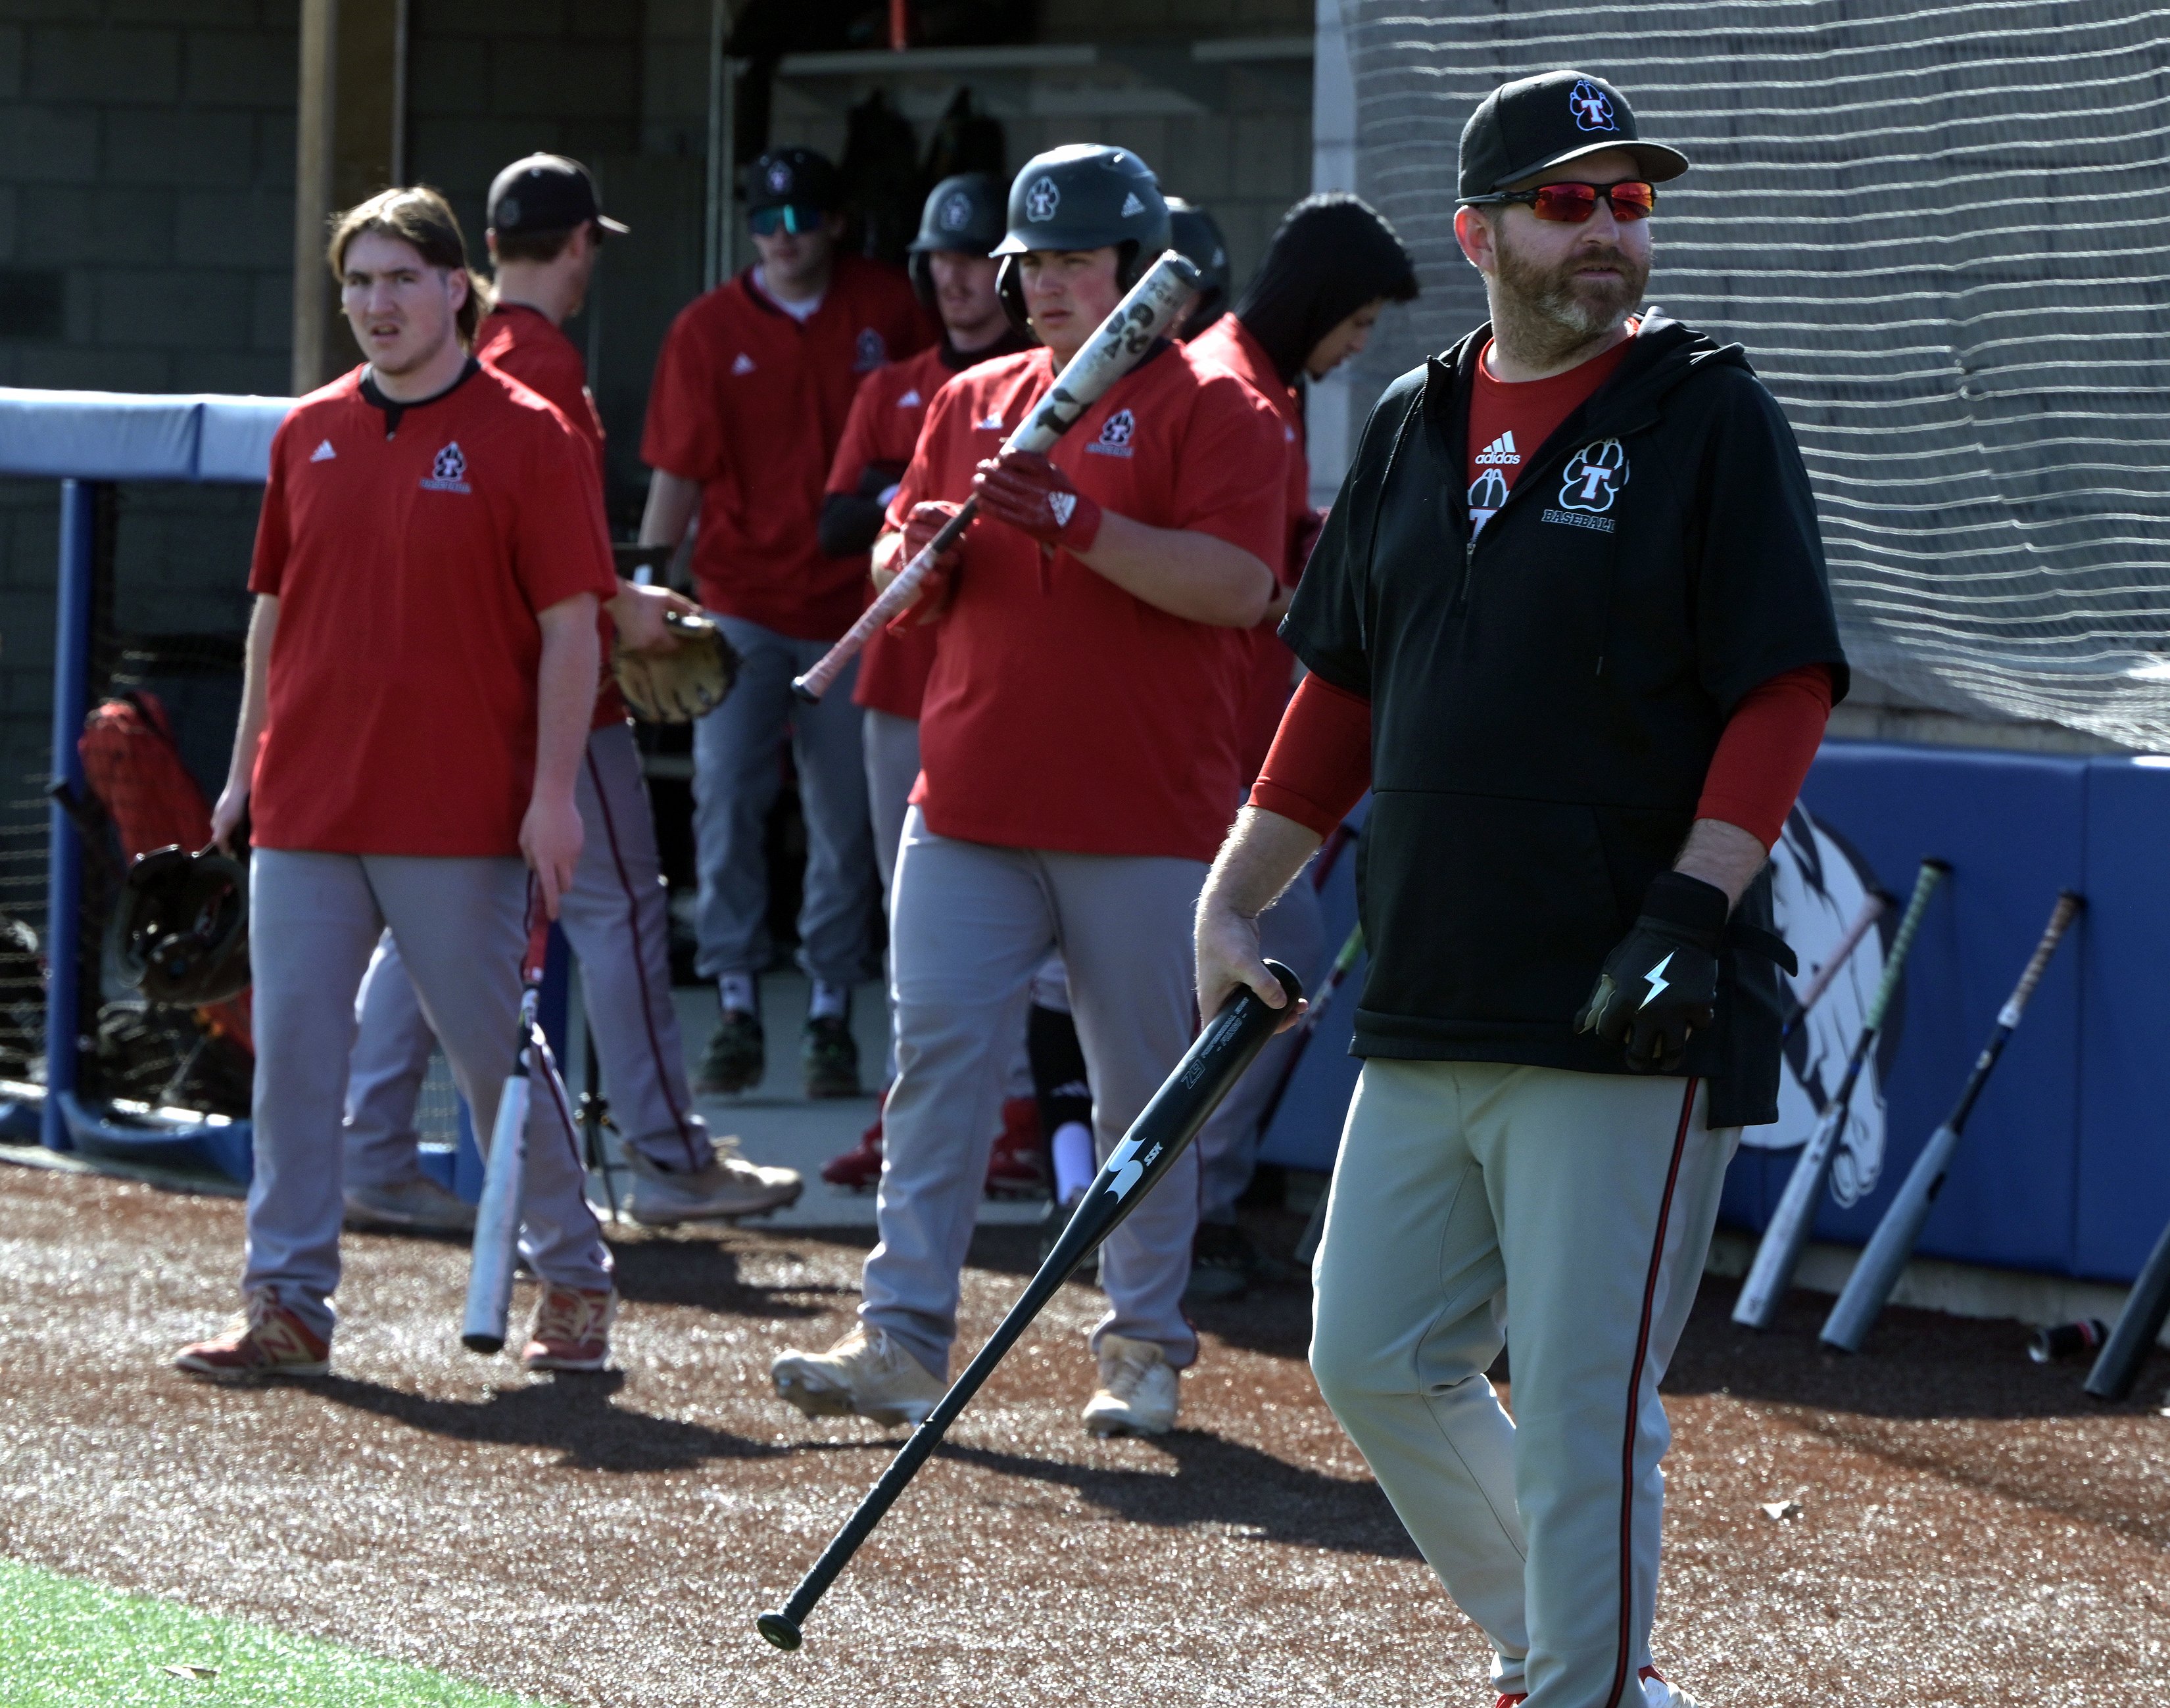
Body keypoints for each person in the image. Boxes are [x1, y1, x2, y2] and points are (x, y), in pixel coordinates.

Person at [1194, 72, 1846, 1707]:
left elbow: (1782, 687)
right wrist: (1235, 895)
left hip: (1629, 997)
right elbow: (1341, 692)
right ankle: (1581, 1662)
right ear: (1480, 233)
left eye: (1630, 201)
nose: (1610, 230)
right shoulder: (1413, 420)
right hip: (1428, 981)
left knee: (1576, 1398)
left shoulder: (1710, 408)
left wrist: (1692, 908)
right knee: (1371, 1358)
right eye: (1570, 202)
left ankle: (1580, 1686)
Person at [768, 144, 1284, 1438]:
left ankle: (1146, 1347)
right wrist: (915, 560)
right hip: (971, 801)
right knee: (936, 1066)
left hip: (1146, 813)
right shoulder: (973, 396)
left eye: (1074, 261)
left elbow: (1240, 587)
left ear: (1138, 270)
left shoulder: (1220, 407)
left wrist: (1078, 525)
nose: (1049, 286)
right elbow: (902, 543)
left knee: (1140, 1092)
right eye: (1034, 262)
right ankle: (899, 1336)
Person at [174, 187, 629, 1380]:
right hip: (310, 805)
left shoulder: (532, 431)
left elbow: (574, 629)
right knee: (297, 1058)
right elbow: (274, 617)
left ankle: (574, 1274)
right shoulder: (307, 431)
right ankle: (286, 1302)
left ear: (453, 289)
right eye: (359, 283)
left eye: (399, 279)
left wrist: (553, 795)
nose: (377, 304)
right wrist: (239, 775)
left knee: (492, 1062)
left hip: (457, 811)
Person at [339, 154, 803, 1237]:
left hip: (455, 689)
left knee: (426, 923)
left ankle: (369, 1145)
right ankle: (672, 1157)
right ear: (582, 243)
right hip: (552, 693)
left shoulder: (468, 351)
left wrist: (613, 593)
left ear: (485, 255)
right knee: (622, 910)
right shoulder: (535, 358)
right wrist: (618, 609)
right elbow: (545, 557)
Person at [639, 146, 932, 1102]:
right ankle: (731, 1002)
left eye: (802, 218)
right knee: (726, 800)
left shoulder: (888, 308)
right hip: (740, 602)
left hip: (857, 604)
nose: (784, 237)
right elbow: (676, 476)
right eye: (767, 221)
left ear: (836, 222)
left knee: (846, 821)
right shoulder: (705, 328)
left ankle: (828, 1014)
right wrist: (649, 592)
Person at [1180, 192, 1418, 1300]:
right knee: (1270, 965)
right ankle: (1194, 1213)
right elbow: (1230, 585)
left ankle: (1195, 1208)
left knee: (1262, 973)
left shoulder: (1251, 380)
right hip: (1205, 748)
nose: (1361, 343)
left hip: (1217, 737)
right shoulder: (1237, 388)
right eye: (1359, 318)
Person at [813, 170, 1045, 1198]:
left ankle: (1029, 1112)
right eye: (940, 260)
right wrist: (906, 497)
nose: (957, 280)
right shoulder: (900, 385)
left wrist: (900, 492)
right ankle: (914, 1114)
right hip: (902, 680)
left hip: (1011, 688)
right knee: (917, 917)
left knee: (1035, 924)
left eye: (975, 259)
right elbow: (835, 526)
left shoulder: (1055, 383)